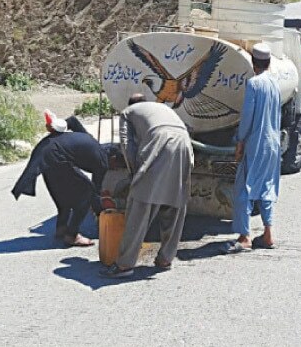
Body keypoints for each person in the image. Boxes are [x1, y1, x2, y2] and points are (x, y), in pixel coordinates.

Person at [100, 94, 194, 278]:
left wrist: (135, 172)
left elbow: (127, 144)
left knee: (140, 205)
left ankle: (124, 265)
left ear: (131, 104)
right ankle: (165, 258)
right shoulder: (162, 108)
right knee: (175, 202)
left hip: (160, 142)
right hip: (185, 145)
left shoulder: (128, 112)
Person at [12, 110, 111, 247]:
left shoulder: (88, 138)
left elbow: (71, 120)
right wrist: (102, 213)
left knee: (62, 193)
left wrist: (57, 125)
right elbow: (95, 191)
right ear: (115, 159)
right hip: (55, 156)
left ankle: (61, 229)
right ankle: (72, 235)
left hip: (46, 152)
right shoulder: (103, 161)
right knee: (86, 193)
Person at [229, 43, 281, 253]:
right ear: (268, 62)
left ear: (253, 63)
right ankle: (268, 234)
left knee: (245, 186)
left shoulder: (253, 84)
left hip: (256, 142)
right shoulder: (275, 84)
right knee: (267, 186)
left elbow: (248, 117)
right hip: (273, 142)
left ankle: (244, 236)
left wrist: (240, 141)